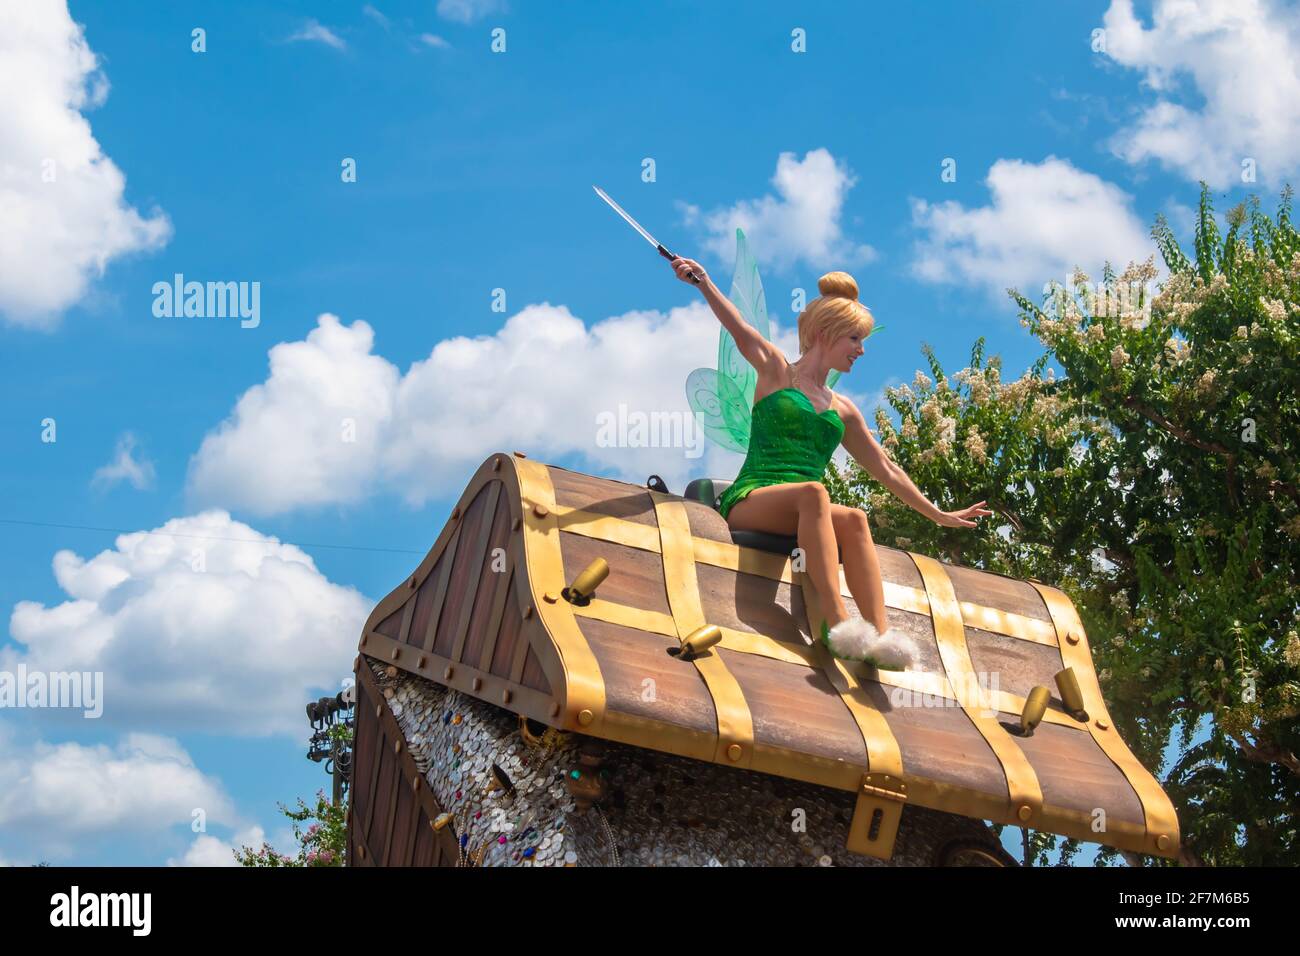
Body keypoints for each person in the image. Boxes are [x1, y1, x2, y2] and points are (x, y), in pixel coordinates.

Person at [671, 255, 992, 669]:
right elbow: (738, 328)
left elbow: (887, 470)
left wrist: (938, 514)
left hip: (807, 509)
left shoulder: (843, 410)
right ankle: (836, 621)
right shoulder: (775, 370)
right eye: (855, 339)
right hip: (753, 498)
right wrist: (703, 282)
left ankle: (879, 636)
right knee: (815, 493)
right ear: (826, 333)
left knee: (856, 518)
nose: (861, 350)